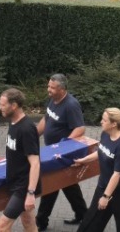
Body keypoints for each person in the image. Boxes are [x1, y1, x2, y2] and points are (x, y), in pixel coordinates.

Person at [35, 73, 89, 230]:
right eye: (48, 86)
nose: (48, 89)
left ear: (62, 89)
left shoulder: (71, 105)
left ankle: (40, 222)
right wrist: (33, 135)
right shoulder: (53, 99)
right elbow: (46, 119)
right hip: (52, 151)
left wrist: (63, 147)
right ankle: (83, 215)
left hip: (60, 155)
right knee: (69, 185)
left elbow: (80, 128)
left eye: (52, 87)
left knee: (50, 184)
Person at [72, 108, 120, 232]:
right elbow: (101, 152)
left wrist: (106, 197)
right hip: (104, 185)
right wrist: (83, 160)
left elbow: (117, 174)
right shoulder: (105, 134)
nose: (101, 122)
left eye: (104, 120)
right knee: (91, 221)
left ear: (113, 124)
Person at [0, 87, 42, 232]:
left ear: (14, 105)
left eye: (3, 105)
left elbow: (35, 163)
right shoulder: (13, 122)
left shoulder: (26, 128)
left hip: (23, 187)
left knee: (2, 225)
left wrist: (30, 193)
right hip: (14, 181)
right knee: (29, 223)